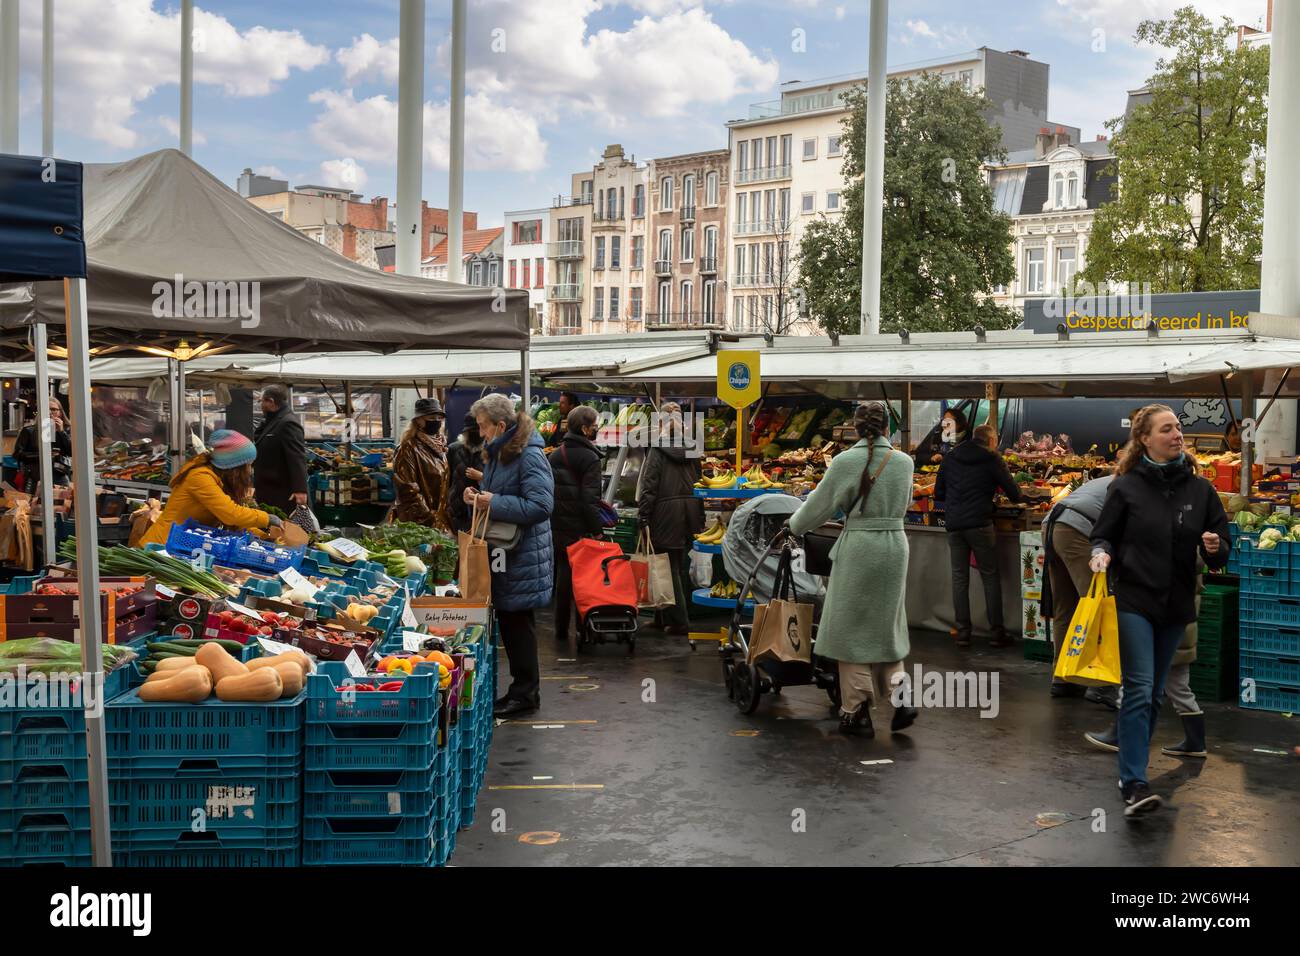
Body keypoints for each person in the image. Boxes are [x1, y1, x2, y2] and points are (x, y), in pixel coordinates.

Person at [1089, 404, 1230, 816]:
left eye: (1178, 428)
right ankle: (1132, 780)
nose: (1177, 434)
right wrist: (1100, 553)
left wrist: (1215, 546)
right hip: (1135, 598)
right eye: (1167, 429)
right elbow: (1103, 536)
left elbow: (1222, 545)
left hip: (1176, 602)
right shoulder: (1126, 487)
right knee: (1139, 686)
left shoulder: (1200, 489)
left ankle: (1134, 773)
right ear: (1145, 439)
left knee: (1152, 694)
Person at [789, 402, 917, 737]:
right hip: (895, 545)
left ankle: (856, 711)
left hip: (860, 546)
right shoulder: (904, 462)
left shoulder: (846, 462)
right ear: (887, 427)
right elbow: (904, 504)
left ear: (857, 429)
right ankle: (901, 695)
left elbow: (819, 505)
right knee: (886, 623)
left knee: (850, 628)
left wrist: (794, 526)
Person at [465, 393, 555, 718]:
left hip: (522, 557)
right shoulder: (501, 453)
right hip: (507, 555)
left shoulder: (528, 455)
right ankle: (521, 690)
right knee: (512, 624)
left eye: (483, 427)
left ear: (501, 425)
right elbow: (502, 494)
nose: (481, 433)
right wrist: (476, 497)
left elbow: (542, 506)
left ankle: (525, 694)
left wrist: (494, 502)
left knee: (519, 626)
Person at [934, 422, 1022, 647]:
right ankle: (996, 632)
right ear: (991, 441)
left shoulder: (951, 457)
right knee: (990, 577)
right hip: (980, 524)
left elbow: (939, 493)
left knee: (959, 578)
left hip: (954, 524)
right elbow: (1014, 493)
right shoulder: (992, 459)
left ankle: (963, 631)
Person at [1041, 472, 1120, 706]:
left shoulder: (1111, 478)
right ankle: (1101, 685)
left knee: (1066, 607)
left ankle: (1063, 677)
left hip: (1052, 524)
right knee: (1097, 606)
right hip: (1078, 529)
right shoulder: (1136, 485)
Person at [141, 430, 280, 546]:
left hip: (181, 544)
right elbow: (231, 514)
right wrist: (267, 518)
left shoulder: (220, 480)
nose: (250, 471)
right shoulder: (200, 478)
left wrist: (263, 538)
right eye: (248, 465)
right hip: (161, 546)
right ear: (234, 466)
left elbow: (234, 523)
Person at [636, 402, 704, 637]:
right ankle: (661, 615)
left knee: (667, 566)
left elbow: (649, 485)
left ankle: (679, 621)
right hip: (689, 511)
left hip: (665, 512)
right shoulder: (694, 447)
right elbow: (700, 480)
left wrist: (643, 516)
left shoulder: (657, 448)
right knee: (674, 564)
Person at [548, 406, 605, 644]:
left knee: (563, 576)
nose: (596, 429)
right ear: (584, 428)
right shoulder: (590, 458)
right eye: (594, 426)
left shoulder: (555, 454)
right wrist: (598, 529)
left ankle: (561, 628)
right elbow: (588, 499)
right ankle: (583, 628)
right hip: (579, 527)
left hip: (557, 523)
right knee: (583, 579)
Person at [392, 398, 450, 529]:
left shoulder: (441, 447)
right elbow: (407, 490)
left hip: (439, 522)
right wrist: (430, 518)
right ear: (418, 420)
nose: (436, 421)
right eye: (431, 417)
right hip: (418, 525)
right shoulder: (407, 448)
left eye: (438, 417)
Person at [253, 384, 308, 516]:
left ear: (270, 401)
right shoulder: (272, 420)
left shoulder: (288, 423)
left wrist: (300, 490)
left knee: (285, 527)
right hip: (269, 488)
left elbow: (297, 457)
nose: (260, 406)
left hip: (281, 491)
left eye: (262, 402)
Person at [14, 398, 72, 490]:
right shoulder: (29, 430)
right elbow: (17, 454)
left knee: (62, 503)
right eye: (47, 409)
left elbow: (71, 452)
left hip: (59, 475)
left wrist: (61, 432)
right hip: (34, 476)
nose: (50, 412)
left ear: (60, 412)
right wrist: (42, 455)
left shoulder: (67, 429)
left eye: (53, 409)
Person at [446, 414, 487, 534]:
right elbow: (447, 479)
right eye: (472, 431)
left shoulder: (490, 451)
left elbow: (497, 480)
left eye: (478, 429)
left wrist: (481, 476)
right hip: (456, 510)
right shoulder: (454, 449)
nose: (476, 433)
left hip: (480, 510)